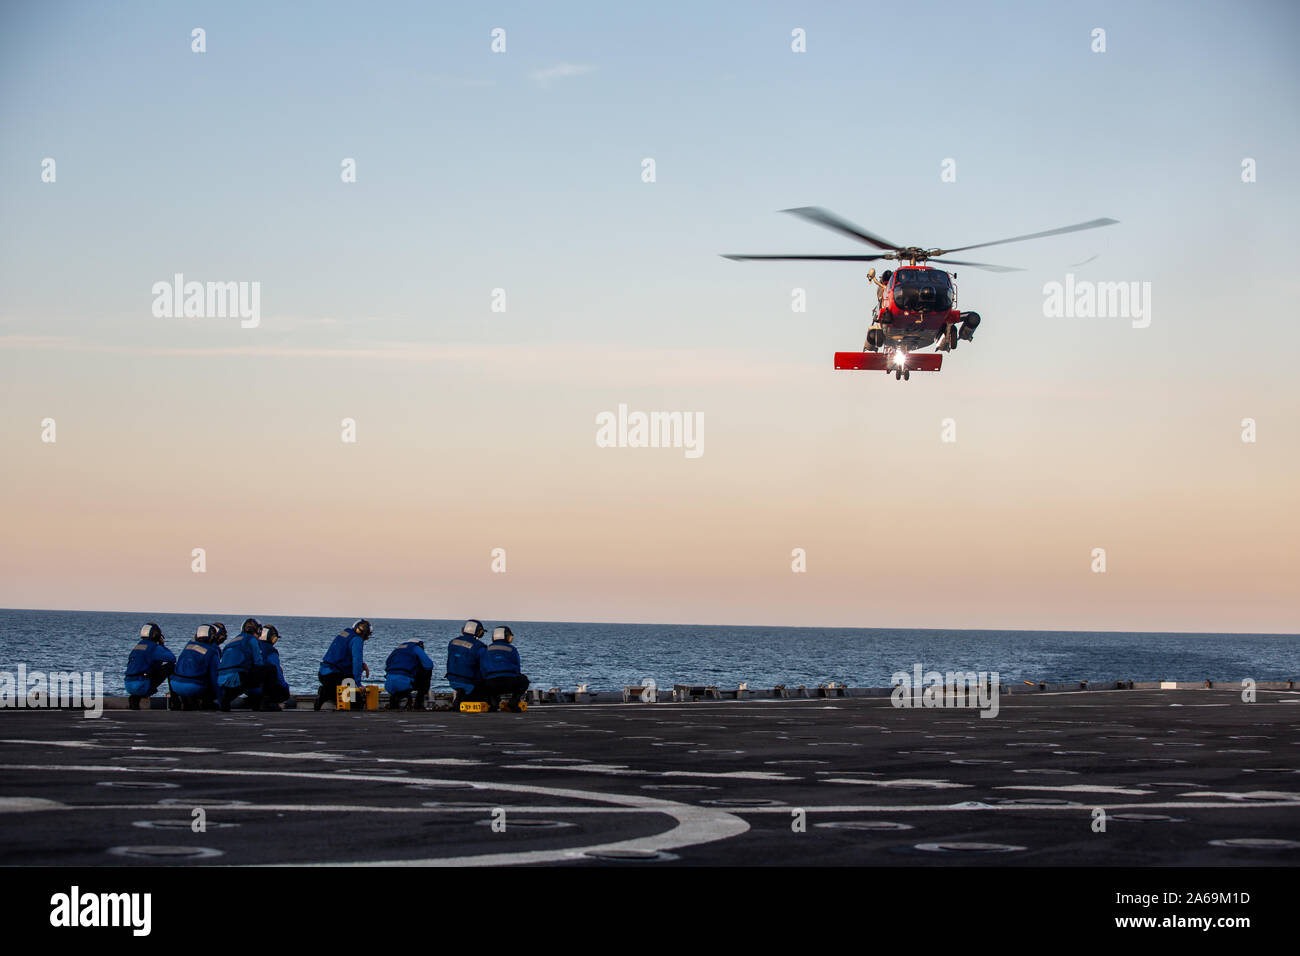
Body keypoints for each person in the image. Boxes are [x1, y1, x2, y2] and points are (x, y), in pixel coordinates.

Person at [217, 618, 276, 711]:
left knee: (242, 675)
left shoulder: (232, 642)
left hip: (221, 679)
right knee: (271, 669)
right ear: (258, 630)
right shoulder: (252, 640)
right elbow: (258, 662)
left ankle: (227, 699)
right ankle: (266, 702)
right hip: (237, 677)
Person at [315, 620, 372, 711]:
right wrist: (358, 683)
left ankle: (326, 693)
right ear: (365, 634)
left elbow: (341, 654)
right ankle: (326, 693)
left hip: (323, 674)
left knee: (336, 690)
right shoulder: (357, 640)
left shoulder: (345, 634)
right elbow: (356, 661)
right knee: (356, 704)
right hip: (336, 676)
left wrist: (363, 664)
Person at [169, 623, 224, 710]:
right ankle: (206, 703)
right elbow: (214, 679)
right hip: (194, 687)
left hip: (175, 686)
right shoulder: (212, 652)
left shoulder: (189, 645)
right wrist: (222, 703)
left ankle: (177, 702)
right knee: (211, 679)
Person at [124, 623, 176, 709]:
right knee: (171, 667)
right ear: (157, 635)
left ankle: (135, 698)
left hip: (128, 685)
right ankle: (174, 701)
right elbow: (172, 658)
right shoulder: (154, 648)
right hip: (141, 685)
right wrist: (162, 645)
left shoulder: (138, 646)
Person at [480, 626, 530, 712]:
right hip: (509, 683)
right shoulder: (512, 649)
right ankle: (514, 702)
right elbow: (517, 668)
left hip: (491, 683)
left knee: (486, 682)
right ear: (507, 637)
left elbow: (482, 668)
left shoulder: (486, 649)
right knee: (524, 680)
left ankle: (493, 703)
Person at [247, 624, 291, 712]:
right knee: (284, 692)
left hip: (249, 686)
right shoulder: (271, 651)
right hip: (263, 688)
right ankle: (268, 701)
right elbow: (277, 672)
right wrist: (285, 688)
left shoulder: (253, 646)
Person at [445, 619, 487, 706]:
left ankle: (460, 698)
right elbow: (484, 667)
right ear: (479, 632)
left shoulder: (453, 642)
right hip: (469, 681)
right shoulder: (480, 646)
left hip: (452, 679)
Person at [384, 638, 434, 710]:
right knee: (427, 673)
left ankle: (395, 701)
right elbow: (429, 665)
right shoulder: (415, 647)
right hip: (404, 683)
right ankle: (418, 704)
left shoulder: (397, 649)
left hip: (388, 685)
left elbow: (387, 663)